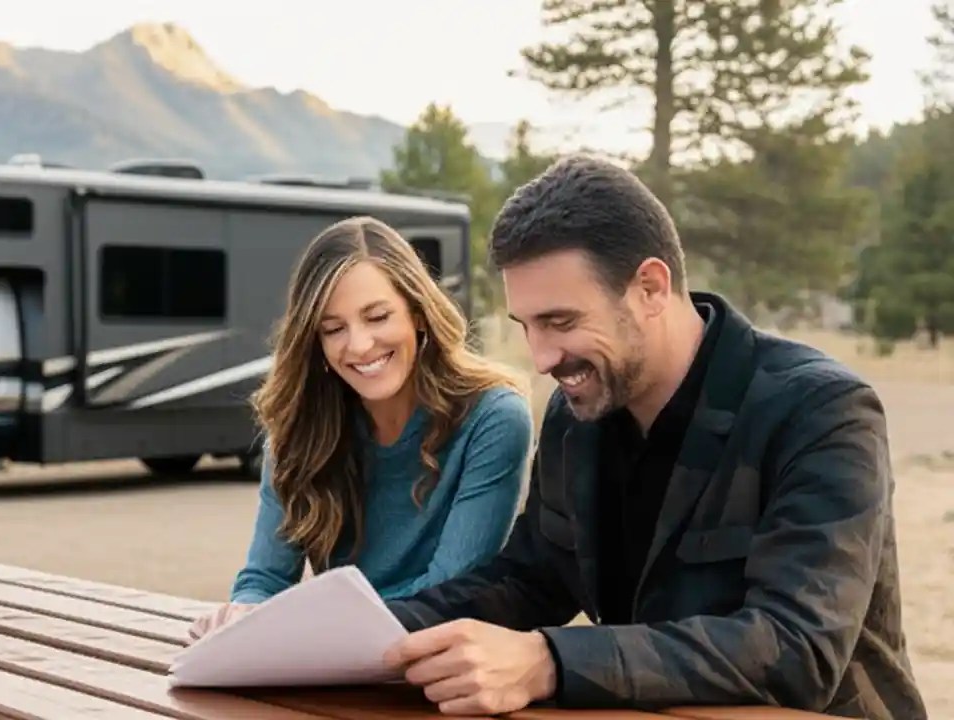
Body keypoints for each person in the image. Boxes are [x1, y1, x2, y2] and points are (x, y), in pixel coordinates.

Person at [379, 155, 927, 719]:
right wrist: (371, 635)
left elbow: (797, 649)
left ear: (650, 287)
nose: (541, 359)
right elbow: (529, 578)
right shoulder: (577, 416)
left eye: (561, 322)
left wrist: (550, 661)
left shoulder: (821, 411)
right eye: (528, 326)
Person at [188, 216, 534, 641]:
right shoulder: (299, 428)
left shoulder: (494, 418)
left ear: (418, 314)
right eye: (333, 329)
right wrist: (244, 612)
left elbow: (449, 590)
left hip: (437, 654)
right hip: (336, 653)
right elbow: (264, 578)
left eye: (377, 317)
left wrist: (312, 624)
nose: (359, 345)